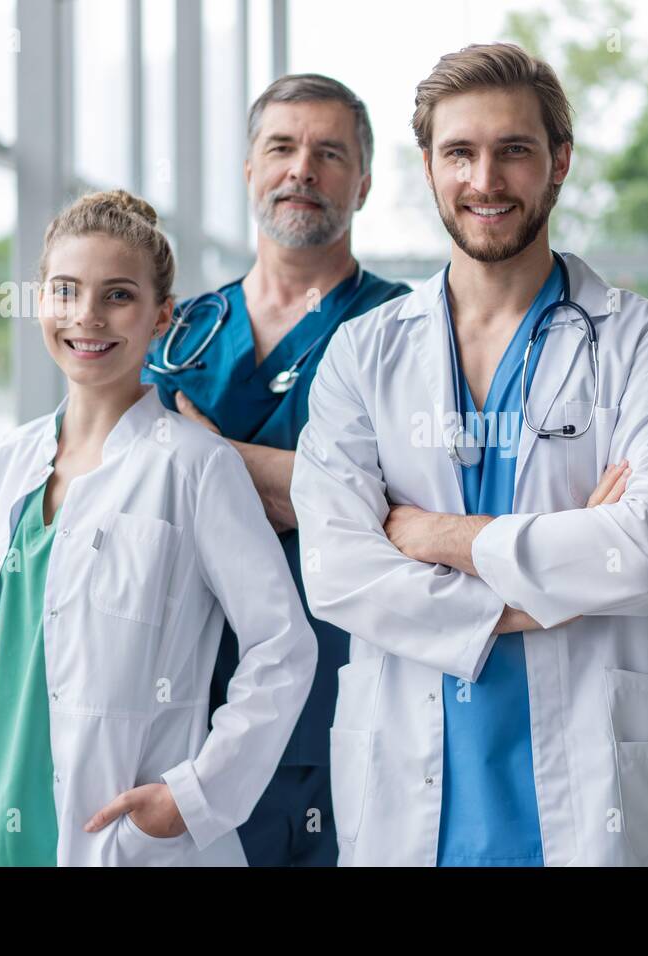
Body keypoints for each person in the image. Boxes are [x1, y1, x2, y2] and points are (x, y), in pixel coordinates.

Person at [291, 43, 648, 866]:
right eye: (460, 153)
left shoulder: (644, 342)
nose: (486, 180)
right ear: (428, 167)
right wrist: (548, 589)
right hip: (409, 797)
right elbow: (339, 571)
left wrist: (432, 536)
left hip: (595, 801)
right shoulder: (361, 355)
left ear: (559, 163)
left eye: (514, 150)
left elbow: (638, 554)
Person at [0, 190, 317, 867]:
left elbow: (283, 646)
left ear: (161, 318)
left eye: (117, 295)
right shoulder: (3, 465)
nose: (86, 317)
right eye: (64, 291)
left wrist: (194, 795)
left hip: (115, 838)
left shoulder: (196, 467)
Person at [143, 74, 408, 866]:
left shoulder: (404, 332)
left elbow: (401, 505)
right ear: (250, 169)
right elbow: (132, 490)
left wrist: (210, 459)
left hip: (344, 698)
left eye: (331, 153)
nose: (304, 170)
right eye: (282, 148)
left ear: (364, 181)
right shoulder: (177, 329)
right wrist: (310, 483)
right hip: (186, 706)